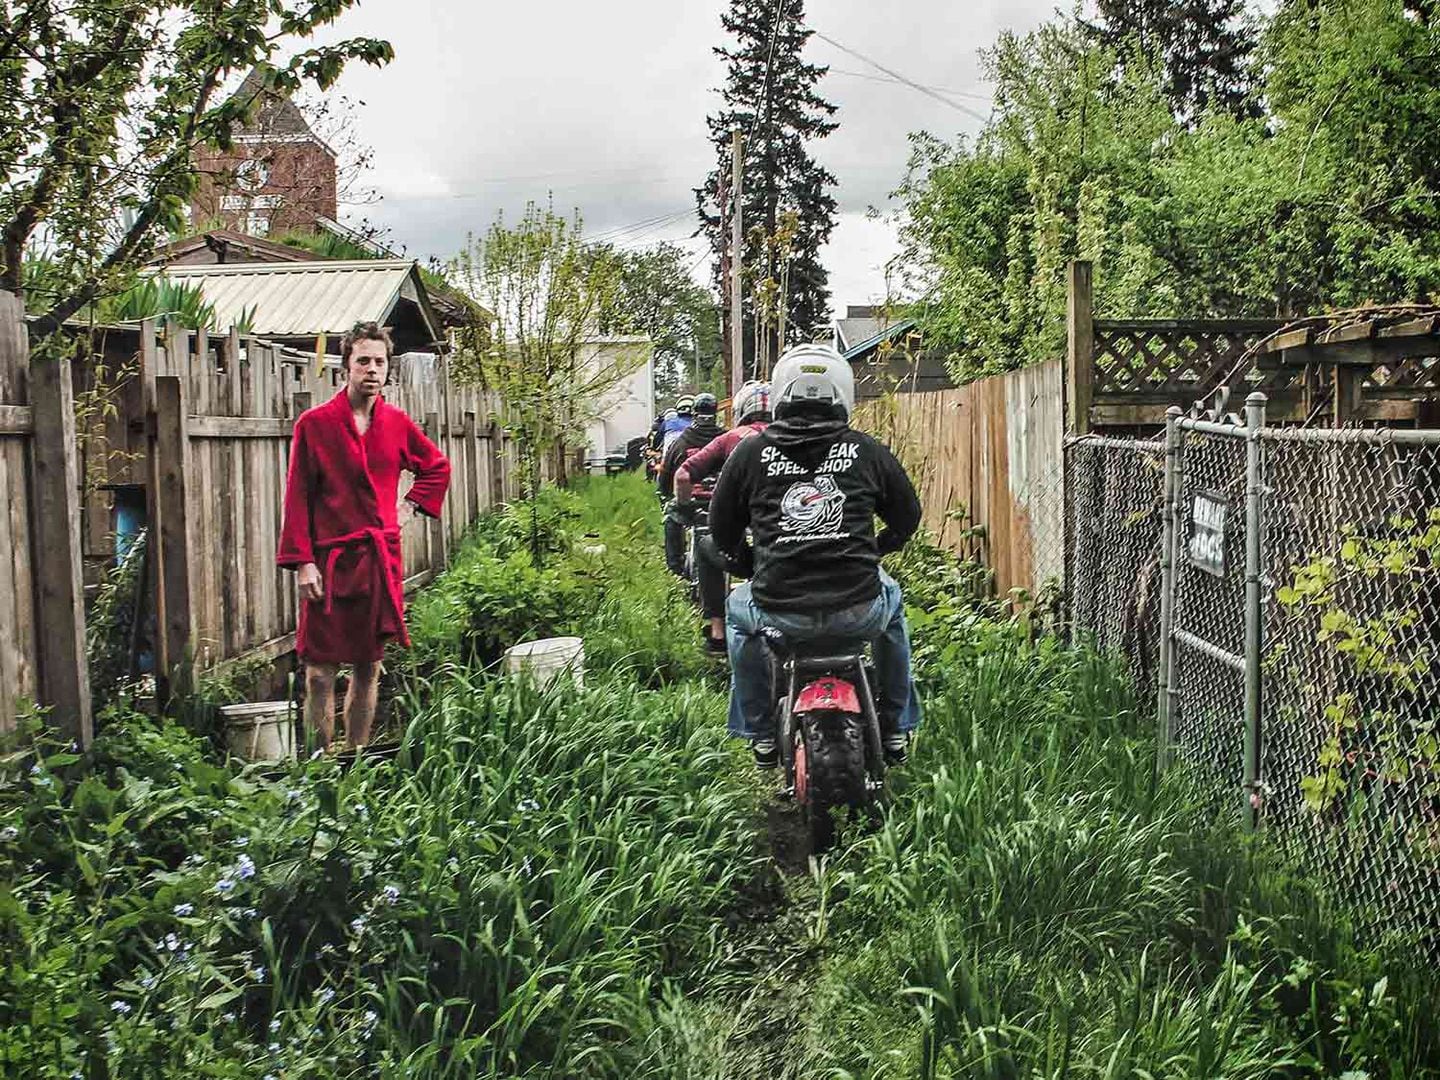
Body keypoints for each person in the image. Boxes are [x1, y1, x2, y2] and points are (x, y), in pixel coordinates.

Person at [708, 343, 922, 767]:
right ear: (843, 393)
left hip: (778, 611)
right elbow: (907, 517)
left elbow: (721, 530)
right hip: (859, 608)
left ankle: (761, 734)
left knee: (735, 612)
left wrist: (749, 564)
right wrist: (877, 548)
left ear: (780, 393)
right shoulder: (867, 450)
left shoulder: (749, 453)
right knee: (894, 609)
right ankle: (896, 728)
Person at [277, 322, 451, 749]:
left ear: (387, 368)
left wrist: (407, 508)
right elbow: (298, 495)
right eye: (363, 361)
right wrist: (303, 562)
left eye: (379, 362)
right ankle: (320, 765)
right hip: (329, 563)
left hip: (377, 562)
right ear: (347, 367)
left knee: (367, 666)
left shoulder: (396, 423)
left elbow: (436, 467)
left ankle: (355, 759)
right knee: (319, 673)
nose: (372, 369)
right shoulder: (314, 425)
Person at [674, 380, 772, 650]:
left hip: (745, 537)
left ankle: (717, 629)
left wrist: (684, 507)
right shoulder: (795, 438)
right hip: (792, 536)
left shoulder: (731, 439)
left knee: (706, 545)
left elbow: (682, 476)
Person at [657, 392, 725, 583]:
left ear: (694, 414)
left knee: (671, 518)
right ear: (715, 414)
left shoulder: (680, 442)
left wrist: (665, 493)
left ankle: (677, 568)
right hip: (722, 503)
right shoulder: (727, 438)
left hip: (691, 504)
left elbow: (665, 476)